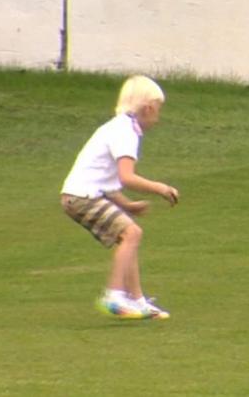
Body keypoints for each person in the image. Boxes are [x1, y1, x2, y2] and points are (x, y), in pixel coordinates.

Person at [59, 75, 180, 320]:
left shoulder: (119, 127)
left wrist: (127, 206)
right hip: (82, 196)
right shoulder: (126, 132)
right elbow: (127, 177)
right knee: (132, 233)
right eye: (158, 109)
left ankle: (138, 301)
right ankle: (114, 296)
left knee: (129, 235)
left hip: (80, 194)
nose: (158, 116)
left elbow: (108, 181)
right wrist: (160, 188)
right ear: (148, 107)